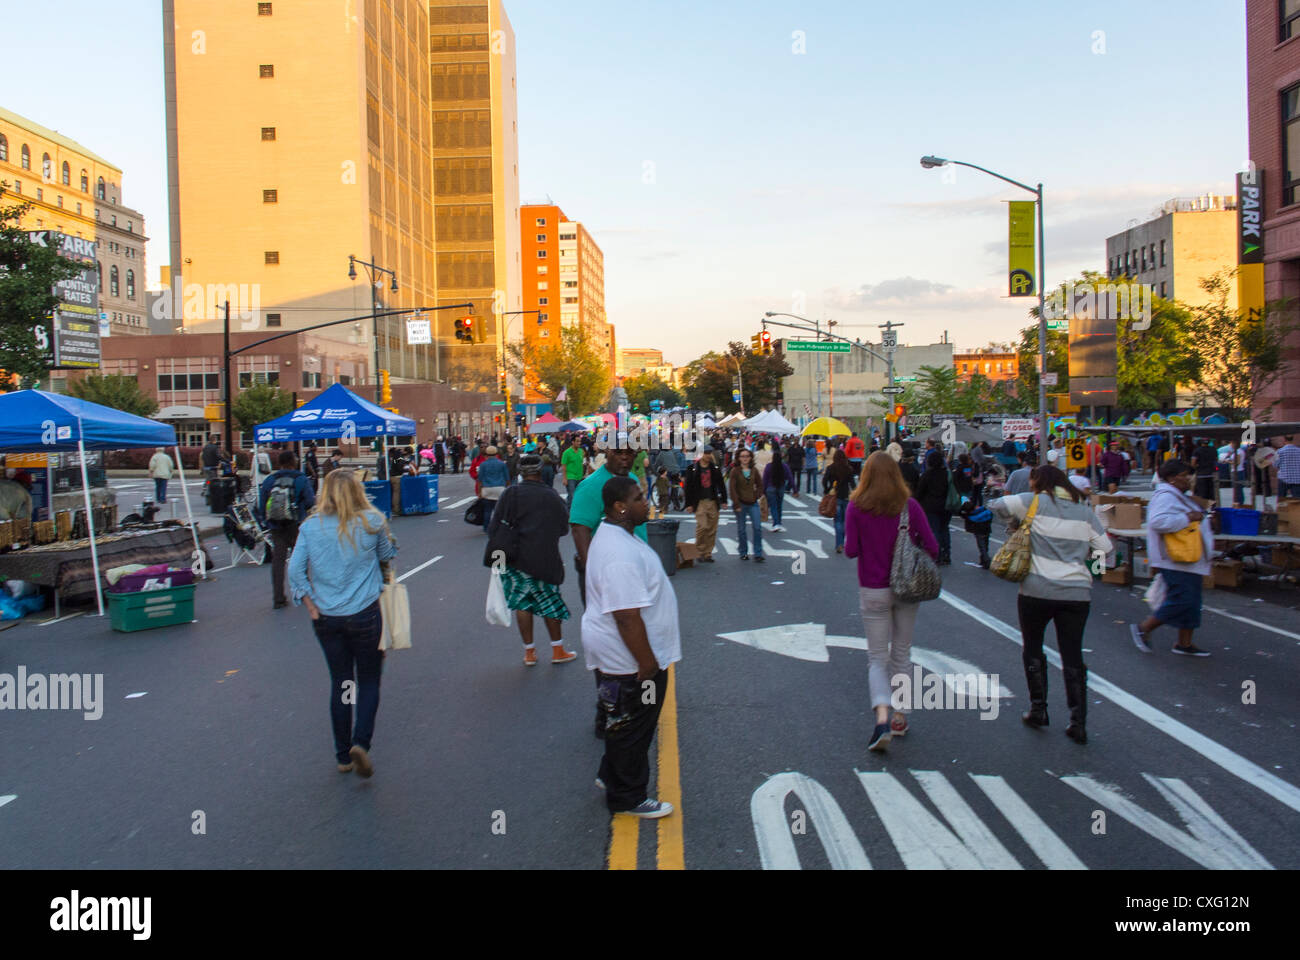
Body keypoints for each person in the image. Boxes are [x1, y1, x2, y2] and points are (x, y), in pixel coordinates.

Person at [989, 464, 1113, 745]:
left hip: (1036, 589)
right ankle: (1078, 721)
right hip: (1076, 593)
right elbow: (1105, 549)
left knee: (1033, 647)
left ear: (1039, 482)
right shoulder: (1084, 510)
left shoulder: (1033, 502)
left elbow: (996, 503)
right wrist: (1089, 569)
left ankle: (1038, 708)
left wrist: (1019, 523)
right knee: (1073, 655)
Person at [288, 469, 396, 777]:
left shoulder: (310, 527)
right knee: (370, 679)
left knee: (341, 681)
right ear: (357, 492)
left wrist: (309, 604)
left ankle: (342, 754)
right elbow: (387, 556)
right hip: (364, 612)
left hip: (326, 616)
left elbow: (295, 571)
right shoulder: (372, 522)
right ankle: (361, 741)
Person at [583, 475, 680, 819]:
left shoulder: (619, 535)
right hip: (629, 661)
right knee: (633, 726)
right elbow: (626, 617)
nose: (646, 501)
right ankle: (627, 796)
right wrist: (649, 664)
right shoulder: (618, 554)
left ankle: (610, 775)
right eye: (639, 497)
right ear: (620, 507)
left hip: (623, 656)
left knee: (621, 721)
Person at [845, 452, 940, 751]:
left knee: (876, 658)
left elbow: (850, 550)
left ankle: (881, 719)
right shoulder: (909, 506)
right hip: (907, 588)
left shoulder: (856, 507)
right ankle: (900, 716)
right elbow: (933, 547)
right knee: (902, 653)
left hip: (873, 588)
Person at [486, 453, 578, 666]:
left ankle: (529, 652)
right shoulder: (551, 495)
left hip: (514, 558)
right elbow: (564, 528)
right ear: (540, 471)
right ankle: (557, 649)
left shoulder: (510, 494)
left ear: (520, 472)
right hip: (544, 558)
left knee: (522, 604)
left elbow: (494, 528)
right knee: (550, 602)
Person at [1131, 459, 1215, 658]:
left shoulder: (1179, 496)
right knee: (1183, 600)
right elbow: (1158, 521)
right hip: (1176, 558)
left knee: (1192, 603)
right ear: (1171, 478)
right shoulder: (1166, 496)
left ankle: (1184, 643)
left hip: (1190, 558)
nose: (1189, 479)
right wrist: (1188, 517)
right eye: (1185, 475)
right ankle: (1144, 628)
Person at [258, 450, 316, 609]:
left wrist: (266, 522)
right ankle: (305, 591)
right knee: (301, 559)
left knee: (278, 561)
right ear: (293, 461)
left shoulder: (270, 480)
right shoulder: (300, 479)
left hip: (276, 526)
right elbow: (310, 501)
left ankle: (278, 597)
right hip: (296, 525)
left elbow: (262, 504)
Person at [683, 446, 726, 562]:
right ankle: (699, 550)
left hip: (712, 501)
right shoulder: (692, 469)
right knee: (702, 526)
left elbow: (721, 485)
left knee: (712, 528)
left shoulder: (714, 468)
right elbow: (688, 487)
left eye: (709, 453)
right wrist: (689, 504)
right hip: (700, 501)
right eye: (706, 453)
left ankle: (707, 553)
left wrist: (724, 500)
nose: (708, 455)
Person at [916, 450, 953, 565]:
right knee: (944, 529)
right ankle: (946, 553)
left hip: (930, 506)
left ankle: (937, 554)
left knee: (934, 530)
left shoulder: (927, 474)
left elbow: (919, 492)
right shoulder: (947, 473)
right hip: (946, 505)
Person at [728, 448, 765, 562]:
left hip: (753, 502)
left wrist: (757, 494)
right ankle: (743, 552)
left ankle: (758, 553)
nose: (745, 458)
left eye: (747, 456)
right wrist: (736, 503)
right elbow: (732, 488)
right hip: (740, 503)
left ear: (750, 458)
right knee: (742, 529)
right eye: (742, 456)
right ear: (738, 458)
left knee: (757, 527)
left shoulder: (754, 470)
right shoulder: (735, 471)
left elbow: (760, 484)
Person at [818, 448, 852, 554]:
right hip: (846, 496)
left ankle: (839, 544)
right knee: (845, 521)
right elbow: (853, 484)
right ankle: (843, 542)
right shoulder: (848, 469)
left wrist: (827, 490)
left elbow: (824, 481)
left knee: (837, 521)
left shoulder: (831, 468)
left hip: (834, 496)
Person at [476, 446, 510, 533]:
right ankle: (499, 526)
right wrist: (507, 488)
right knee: (499, 510)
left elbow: (480, 479)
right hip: (499, 488)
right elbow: (507, 478)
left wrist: (479, 492)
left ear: (486, 454)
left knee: (487, 510)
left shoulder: (483, 465)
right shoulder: (502, 464)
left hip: (487, 488)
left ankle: (486, 527)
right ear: (496, 454)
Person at [762, 446, 794, 533]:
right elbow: (790, 477)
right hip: (781, 487)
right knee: (779, 505)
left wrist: (763, 490)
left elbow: (765, 479)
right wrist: (794, 488)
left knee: (773, 506)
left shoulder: (769, 466)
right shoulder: (784, 466)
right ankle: (778, 522)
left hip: (770, 488)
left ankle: (775, 523)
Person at [959, 494, 994, 568]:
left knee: (982, 546)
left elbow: (961, 514)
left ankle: (986, 560)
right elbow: (990, 515)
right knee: (985, 544)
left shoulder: (970, 516)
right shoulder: (984, 511)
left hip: (978, 530)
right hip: (987, 529)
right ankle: (983, 560)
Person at [561, 437, 586, 505]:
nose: (579, 443)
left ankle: (569, 507)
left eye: (580, 441)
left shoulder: (581, 451)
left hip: (579, 476)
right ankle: (570, 510)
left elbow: (583, 463)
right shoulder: (567, 452)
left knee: (577, 494)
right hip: (570, 477)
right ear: (573, 442)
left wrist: (584, 474)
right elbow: (564, 465)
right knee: (572, 495)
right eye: (577, 441)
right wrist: (564, 478)